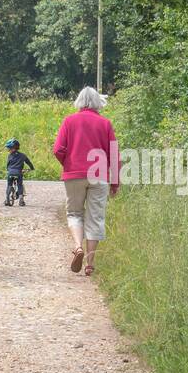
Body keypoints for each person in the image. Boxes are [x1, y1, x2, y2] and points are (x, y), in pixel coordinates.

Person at [52, 87, 119, 276]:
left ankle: (77, 247)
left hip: (74, 174)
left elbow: (58, 149)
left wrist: (68, 163)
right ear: (98, 102)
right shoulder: (105, 124)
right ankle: (90, 263)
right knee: (95, 217)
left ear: (79, 101)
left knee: (74, 212)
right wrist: (115, 182)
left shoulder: (69, 121)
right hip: (99, 176)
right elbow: (114, 154)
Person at [4, 138, 34, 206]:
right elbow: (29, 163)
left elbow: (8, 165)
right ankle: (21, 200)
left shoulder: (9, 156)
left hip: (10, 173)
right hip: (18, 173)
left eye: (9, 148)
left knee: (9, 185)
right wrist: (32, 168)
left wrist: (9, 170)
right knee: (19, 185)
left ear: (13, 148)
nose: (8, 150)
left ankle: (7, 199)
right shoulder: (23, 155)